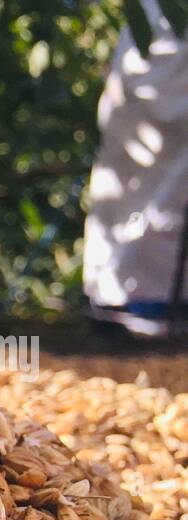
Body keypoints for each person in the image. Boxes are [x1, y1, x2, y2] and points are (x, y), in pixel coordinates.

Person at [83, 0, 188, 338]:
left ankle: (140, 297)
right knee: (151, 163)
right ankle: (140, 299)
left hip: (157, 41)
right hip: (161, 42)